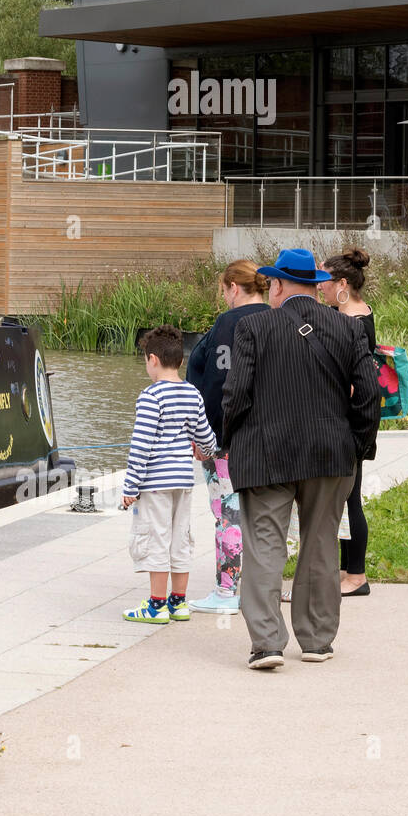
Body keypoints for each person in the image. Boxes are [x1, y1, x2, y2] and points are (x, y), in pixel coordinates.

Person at [220, 248, 380, 670]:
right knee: (322, 544)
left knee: (265, 546)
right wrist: (357, 445)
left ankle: (267, 644)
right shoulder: (349, 329)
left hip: (266, 453)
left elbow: (236, 395)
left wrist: (228, 439)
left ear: (277, 286)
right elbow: (369, 395)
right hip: (330, 453)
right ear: (313, 285)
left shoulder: (254, 328)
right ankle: (316, 640)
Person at [183, 260, 270, 613]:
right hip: (269, 437)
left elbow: (217, 382)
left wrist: (206, 437)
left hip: (227, 440)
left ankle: (226, 590)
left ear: (234, 287)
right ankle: (261, 585)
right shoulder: (276, 317)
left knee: (227, 514)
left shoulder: (227, 324)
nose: (224, 296)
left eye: (223, 289)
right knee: (263, 513)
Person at [119, 326, 218, 624]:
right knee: (181, 538)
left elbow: (141, 445)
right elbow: (206, 437)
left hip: (156, 482)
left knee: (156, 540)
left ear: (152, 359)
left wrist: (130, 486)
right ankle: (179, 602)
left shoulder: (150, 396)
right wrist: (205, 451)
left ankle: (156, 605)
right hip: (183, 481)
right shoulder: (193, 393)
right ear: (180, 359)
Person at [318, 248, 377, 598]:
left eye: (325, 281)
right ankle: (345, 569)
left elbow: (354, 380)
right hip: (350, 418)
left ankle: (357, 575)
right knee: (344, 496)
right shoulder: (352, 313)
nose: (321, 287)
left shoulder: (353, 323)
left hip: (351, 420)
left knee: (350, 497)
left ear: (342, 283)